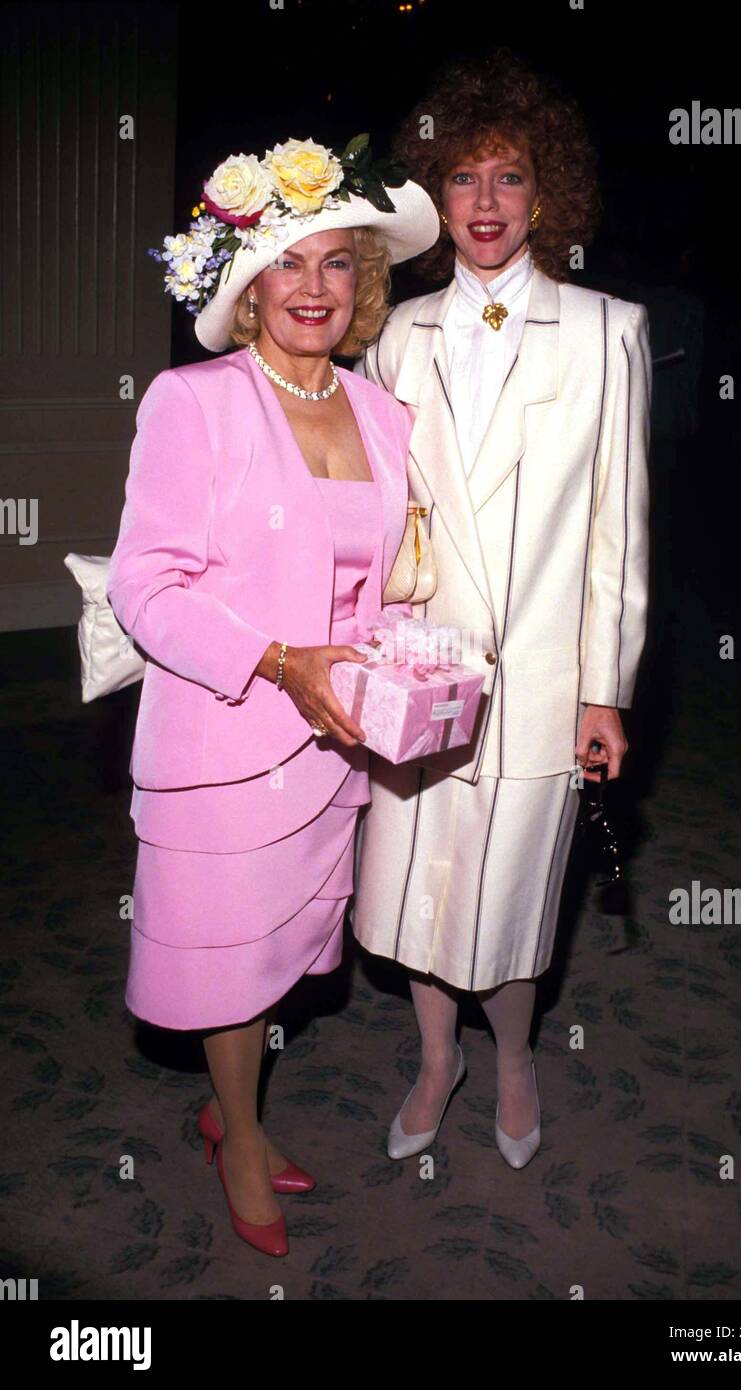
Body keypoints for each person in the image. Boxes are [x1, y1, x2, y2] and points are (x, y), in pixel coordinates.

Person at [107, 135, 437, 1254]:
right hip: (228, 731)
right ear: (248, 288)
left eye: (338, 265)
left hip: (333, 745)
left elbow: (378, 583)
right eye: (289, 266)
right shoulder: (194, 402)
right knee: (230, 959)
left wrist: (406, 666)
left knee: (285, 951)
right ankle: (239, 1130)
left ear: (364, 288)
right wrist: (279, 661)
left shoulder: (383, 417)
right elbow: (148, 587)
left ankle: (228, 1105)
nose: (314, 288)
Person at [352, 53, 651, 1168]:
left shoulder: (605, 331)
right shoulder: (398, 332)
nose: (485, 204)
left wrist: (602, 693)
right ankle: (438, 1060)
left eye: (510, 178)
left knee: (514, 901)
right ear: (437, 195)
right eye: (464, 178)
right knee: (419, 892)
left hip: (533, 682)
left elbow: (618, 534)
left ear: (548, 194)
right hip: (420, 675)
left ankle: (513, 1057)